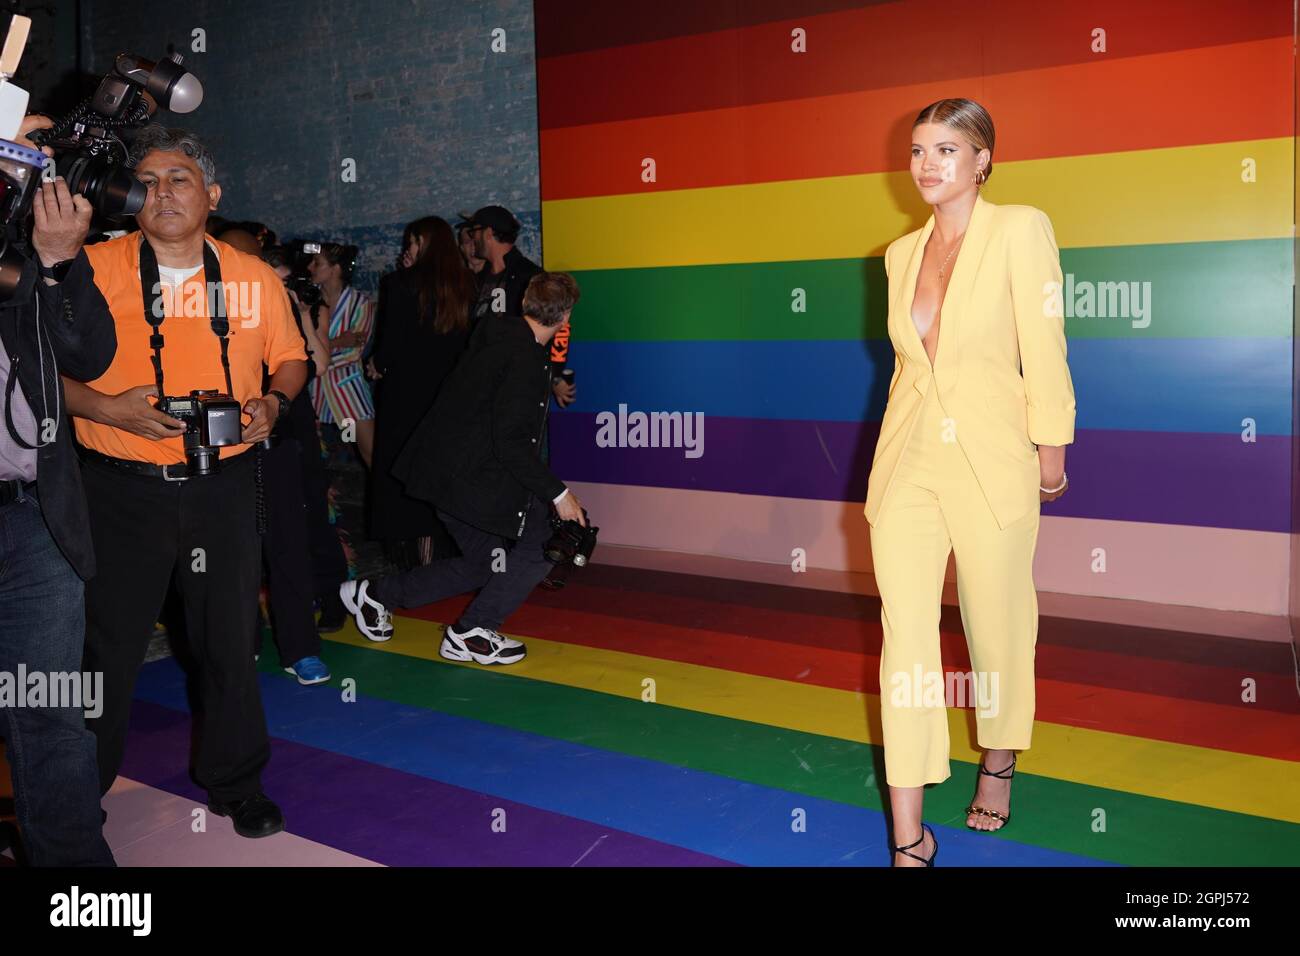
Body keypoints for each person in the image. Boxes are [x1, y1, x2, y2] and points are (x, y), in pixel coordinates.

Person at [63, 125, 308, 838]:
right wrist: (104, 407)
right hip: (116, 487)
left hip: (222, 487)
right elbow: (35, 372)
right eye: (148, 180)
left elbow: (290, 359)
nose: (163, 191)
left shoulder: (251, 275)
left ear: (213, 196)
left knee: (229, 642)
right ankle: (75, 796)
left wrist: (275, 403)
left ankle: (238, 784)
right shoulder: (89, 266)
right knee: (103, 653)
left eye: (180, 179)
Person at [863, 98, 1076, 866]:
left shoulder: (1021, 229)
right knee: (906, 643)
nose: (927, 163)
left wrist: (1051, 448)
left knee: (997, 627)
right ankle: (909, 834)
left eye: (946, 149)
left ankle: (998, 760)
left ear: (983, 160)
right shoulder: (897, 255)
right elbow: (904, 372)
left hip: (993, 460)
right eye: (919, 150)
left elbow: (1044, 343)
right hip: (910, 462)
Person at [341, 272, 586, 664]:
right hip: (463, 478)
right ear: (566, 317)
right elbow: (511, 443)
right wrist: (559, 495)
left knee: (485, 563)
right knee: (543, 543)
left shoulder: (505, 337)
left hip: (450, 473)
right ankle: (472, 630)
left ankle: (374, 595)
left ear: (526, 300)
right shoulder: (522, 356)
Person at [0, 115, 116, 866]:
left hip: (32, 515)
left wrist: (54, 265)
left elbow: (91, 354)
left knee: (49, 715)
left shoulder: (34, 251)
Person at [368, 216, 475, 568]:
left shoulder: (399, 284)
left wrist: (376, 365)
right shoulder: (467, 287)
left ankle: (411, 566)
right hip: (449, 399)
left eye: (411, 243)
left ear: (422, 244)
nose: (406, 250)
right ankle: (439, 561)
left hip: (404, 398)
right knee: (436, 480)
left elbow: (390, 346)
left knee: (401, 481)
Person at [265, 246, 349, 632]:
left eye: (287, 281)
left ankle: (331, 597)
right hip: (258, 424)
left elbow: (318, 365)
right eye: (276, 281)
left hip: (298, 424)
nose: (284, 288)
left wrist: (299, 313)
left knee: (314, 513)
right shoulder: (248, 312)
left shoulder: (310, 310)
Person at [306, 243, 376, 467]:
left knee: (370, 453)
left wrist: (319, 354)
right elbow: (299, 345)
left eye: (317, 263)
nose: (310, 267)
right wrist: (337, 342)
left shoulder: (360, 304)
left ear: (335, 269)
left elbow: (353, 352)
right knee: (315, 457)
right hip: (313, 390)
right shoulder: (309, 300)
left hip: (347, 388)